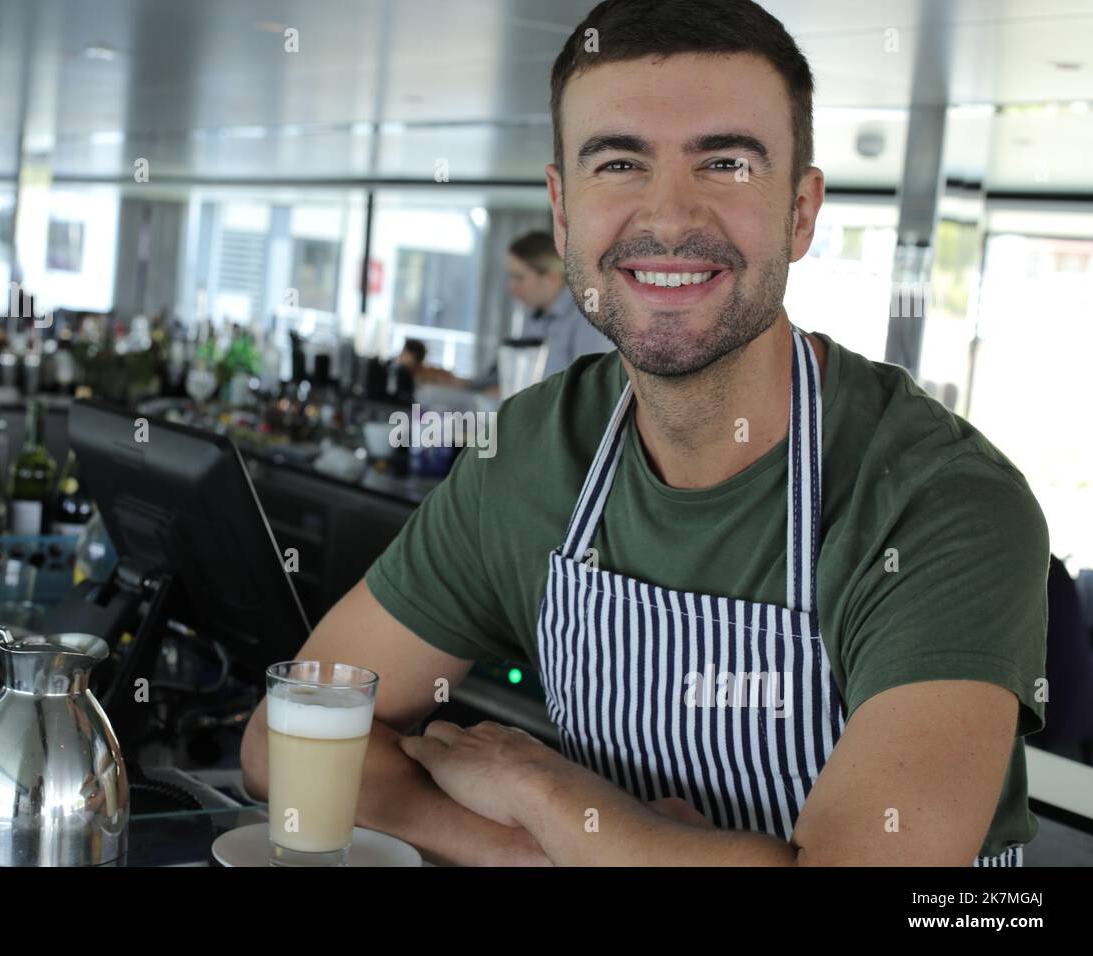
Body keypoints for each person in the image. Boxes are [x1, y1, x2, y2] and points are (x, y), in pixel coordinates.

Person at [241, 0, 1047, 866]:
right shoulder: (530, 452)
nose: (669, 215)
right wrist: (536, 849)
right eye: (619, 162)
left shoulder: (942, 504)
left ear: (802, 212)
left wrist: (543, 790)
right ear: (562, 211)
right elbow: (287, 743)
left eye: (727, 163)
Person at [506, 231, 614, 379]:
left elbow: (592, 384)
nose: (511, 286)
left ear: (551, 277)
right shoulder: (534, 316)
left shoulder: (589, 313)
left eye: (519, 277)